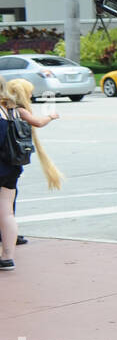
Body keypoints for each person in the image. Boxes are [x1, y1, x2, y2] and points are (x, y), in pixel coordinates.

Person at [0, 78, 64, 270]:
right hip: (10, 167)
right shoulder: (10, 110)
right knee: (7, 213)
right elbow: (37, 122)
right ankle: (7, 257)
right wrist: (52, 116)